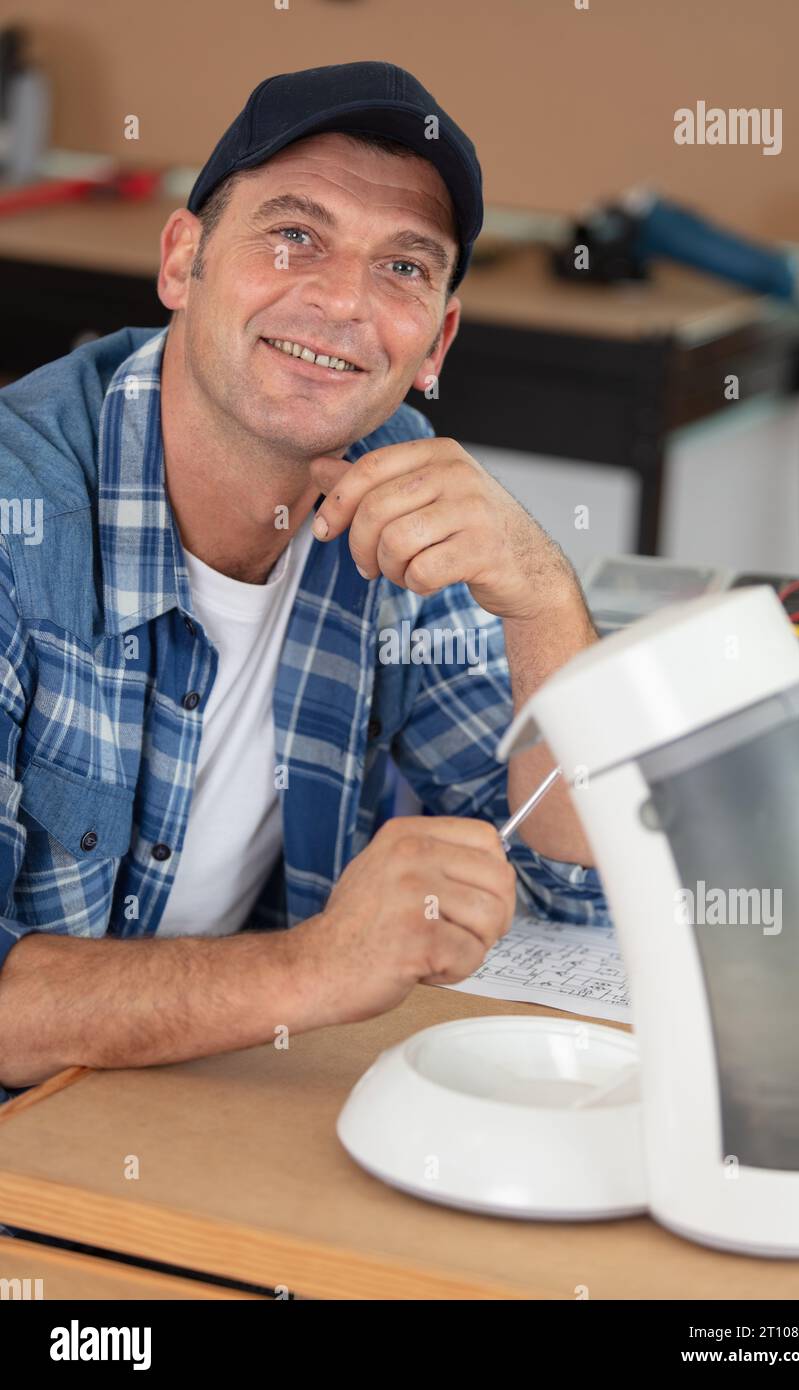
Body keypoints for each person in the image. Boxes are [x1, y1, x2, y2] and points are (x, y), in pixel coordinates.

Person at [0, 62, 608, 1105]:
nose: (339, 303)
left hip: (201, 1099)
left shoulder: (398, 484)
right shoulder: (21, 517)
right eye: (294, 235)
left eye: (404, 268)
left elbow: (579, 886)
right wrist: (318, 966)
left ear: (435, 342)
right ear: (183, 260)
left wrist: (542, 595)